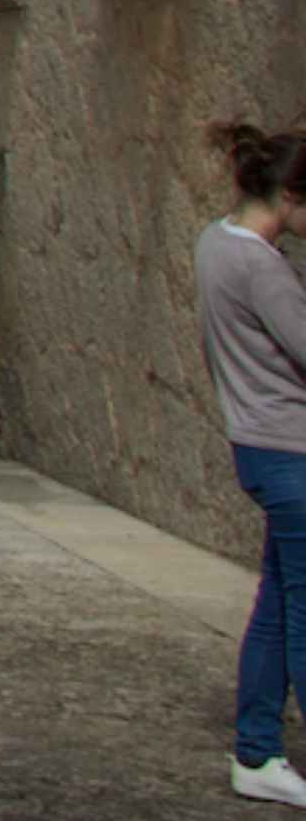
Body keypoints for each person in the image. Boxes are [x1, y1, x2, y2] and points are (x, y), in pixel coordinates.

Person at [207, 120, 306, 804]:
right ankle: (258, 749)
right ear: (292, 196)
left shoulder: (215, 242)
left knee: (277, 602)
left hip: (258, 444)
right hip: (292, 450)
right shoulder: (262, 268)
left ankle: (257, 752)